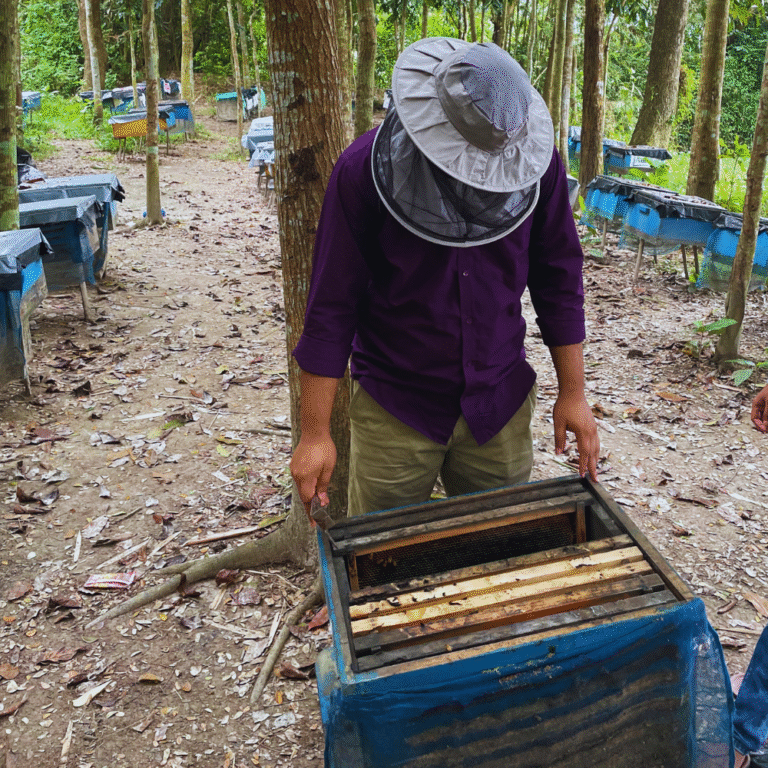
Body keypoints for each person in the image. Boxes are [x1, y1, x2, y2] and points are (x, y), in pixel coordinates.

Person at [290, 38, 599, 521]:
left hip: (499, 402)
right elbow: (332, 307)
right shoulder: (360, 171)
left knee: (498, 550)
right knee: (385, 557)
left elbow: (558, 276)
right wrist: (315, 433)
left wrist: (574, 393)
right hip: (396, 404)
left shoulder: (541, 169)